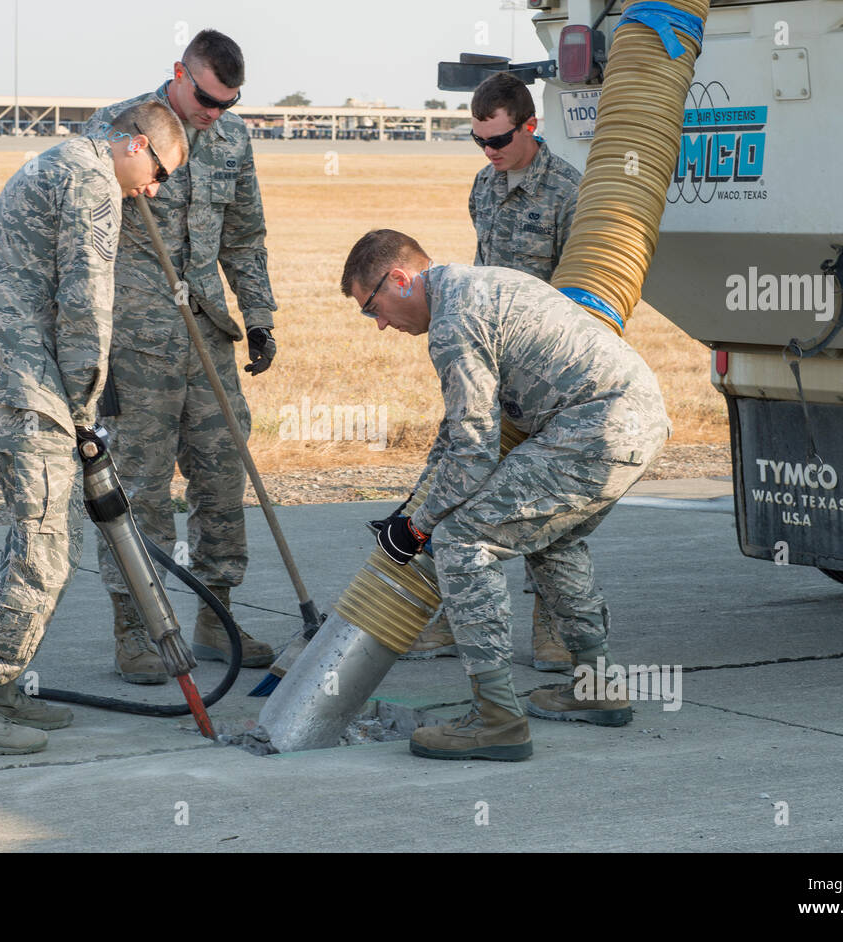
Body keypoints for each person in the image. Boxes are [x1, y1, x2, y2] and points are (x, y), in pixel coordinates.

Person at [342, 230, 670, 761]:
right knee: (550, 541)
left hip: (594, 429)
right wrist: (409, 511)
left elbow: (472, 452)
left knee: (463, 541)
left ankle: (495, 719)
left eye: (372, 308)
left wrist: (422, 525)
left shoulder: (451, 323)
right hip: (634, 423)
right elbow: (458, 433)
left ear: (399, 280)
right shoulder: (479, 286)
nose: (380, 324)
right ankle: (597, 688)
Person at [0, 101, 188, 755]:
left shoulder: (63, 161)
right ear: (134, 145)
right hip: (22, 384)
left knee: (51, 540)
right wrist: (86, 411)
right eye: (159, 172)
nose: (154, 190)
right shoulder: (96, 179)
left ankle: (3, 687)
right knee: (45, 552)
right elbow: (86, 303)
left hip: (2, 372)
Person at [82, 29, 279, 686]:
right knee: (139, 486)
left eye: (228, 102)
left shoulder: (233, 140)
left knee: (223, 476)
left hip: (206, 335)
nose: (214, 113)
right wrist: (93, 350)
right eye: (206, 98)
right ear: (179, 74)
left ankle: (214, 615)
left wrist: (258, 317)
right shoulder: (117, 129)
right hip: (135, 339)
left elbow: (244, 239)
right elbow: (79, 241)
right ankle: (137, 627)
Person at [405, 71, 584, 673]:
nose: (488, 153)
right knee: (456, 478)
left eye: (498, 140)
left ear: (529, 127)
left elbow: (579, 296)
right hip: (488, 367)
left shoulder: (567, 192)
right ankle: (456, 617)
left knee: (546, 502)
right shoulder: (484, 185)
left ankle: (555, 628)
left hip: (547, 374)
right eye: (478, 140)